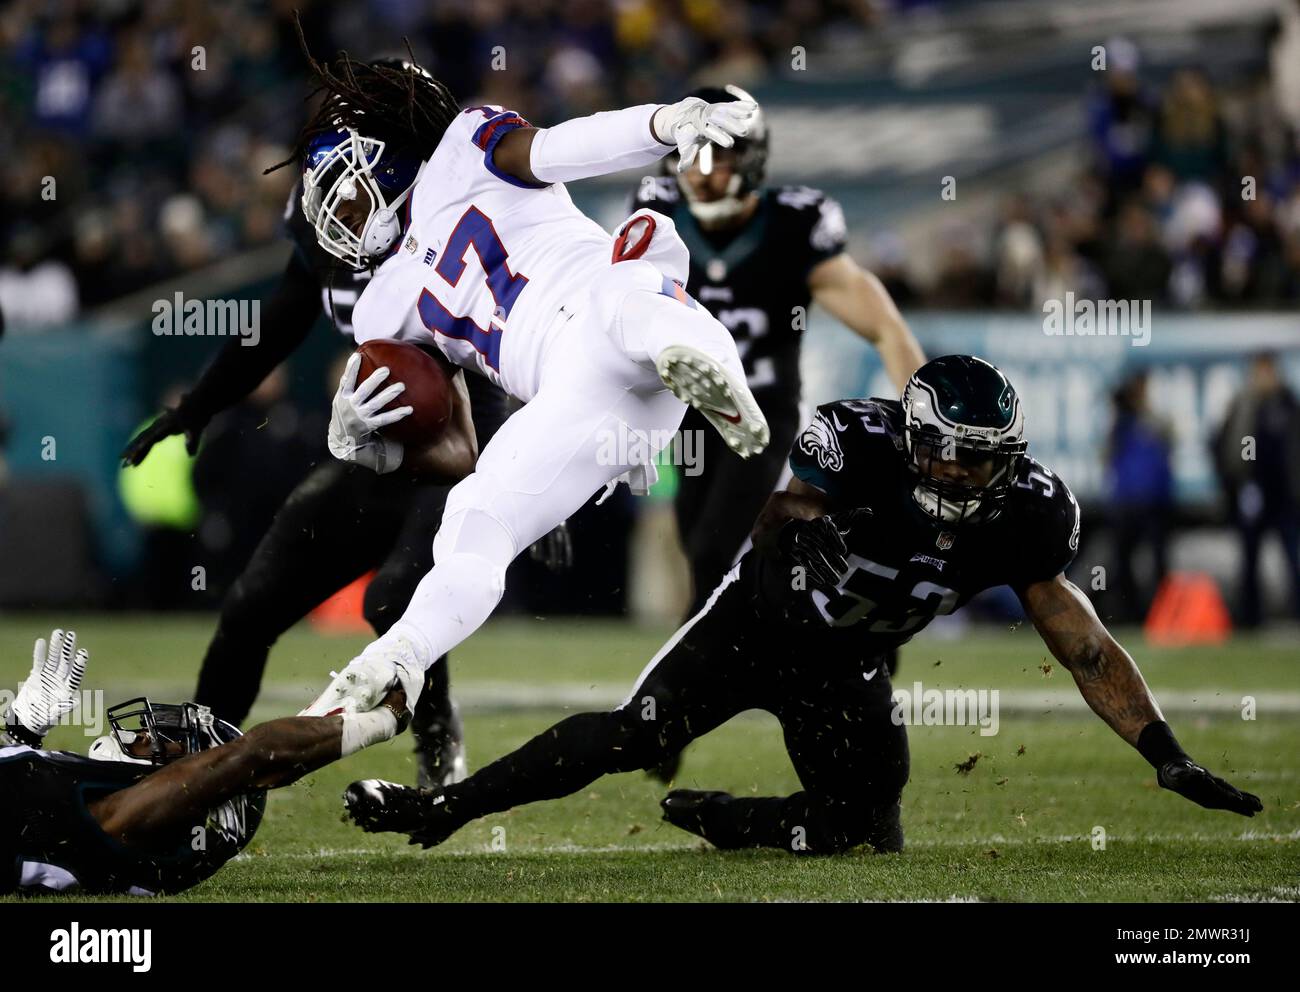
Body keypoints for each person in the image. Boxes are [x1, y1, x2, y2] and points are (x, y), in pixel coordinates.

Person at [342, 356, 1262, 855]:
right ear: (925, 447)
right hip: (758, 624)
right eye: (963, 455)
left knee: (865, 835)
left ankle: (731, 820)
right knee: (634, 735)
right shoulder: (857, 440)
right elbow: (777, 510)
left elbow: (1088, 650)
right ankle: (444, 808)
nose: (978, 473)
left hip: (845, 665)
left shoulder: (1025, 513)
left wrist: (1166, 755)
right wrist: (798, 529)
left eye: (991, 456)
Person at [284, 41, 772, 726]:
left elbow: (563, 147)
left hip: (599, 311)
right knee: (476, 515)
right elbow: (454, 453)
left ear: (387, 159)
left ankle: (703, 363)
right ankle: (399, 655)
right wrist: (357, 440)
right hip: (577, 402)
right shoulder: (379, 307)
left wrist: (661, 124)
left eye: (348, 195)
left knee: (627, 288)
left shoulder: (462, 149)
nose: (342, 219)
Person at [118, 57, 546, 787]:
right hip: (370, 447)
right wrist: (200, 405)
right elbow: (280, 321)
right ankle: (192, 772)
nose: (337, 192)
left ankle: (434, 725)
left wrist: (533, 479)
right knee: (250, 608)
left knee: (390, 600)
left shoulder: (459, 211)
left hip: (454, 451)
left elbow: (512, 359)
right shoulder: (328, 205)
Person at [632, 85, 925, 619]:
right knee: (697, 542)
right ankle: (766, 649)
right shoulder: (659, 208)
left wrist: (925, 427)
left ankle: (702, 671)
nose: (700, 172)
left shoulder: (794, 224)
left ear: (751, 159)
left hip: (760, 410)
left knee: (716, 549)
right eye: (690, 156)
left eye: (717, 156)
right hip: (689, 413)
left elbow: (884, 326)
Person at [1, 628, 398, 895]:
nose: (146, 733)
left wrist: (382, 721)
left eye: (173, 742)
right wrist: (21, 737)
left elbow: (255, 754)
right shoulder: (111, 806)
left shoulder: (136, 820)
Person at [1213, 351, 1300, 626]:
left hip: (1283, 495)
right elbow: (1224, 444)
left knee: (1291, 556)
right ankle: (1250, 618)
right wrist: (1238, 484)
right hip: (1253, 492)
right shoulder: (1243, 404)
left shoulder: (1286, 403)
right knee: (1250, 558)